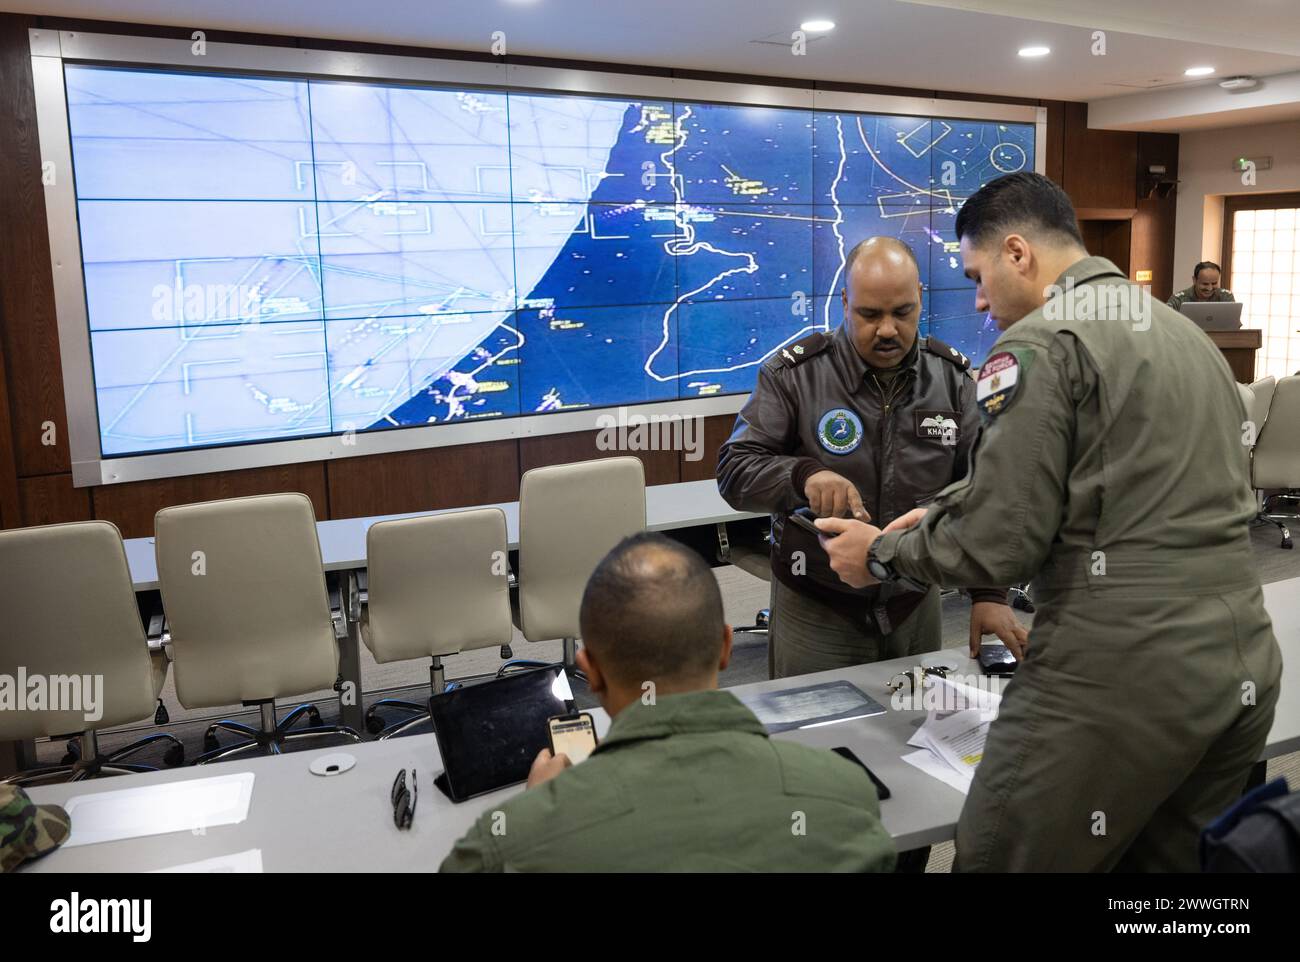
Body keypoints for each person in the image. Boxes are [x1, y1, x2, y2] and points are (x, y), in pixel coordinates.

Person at [815, 171, 1282, 872]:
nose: (979, 300)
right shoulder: (1183, 334)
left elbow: (999, 543)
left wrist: (882, 553)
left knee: (1000, 855)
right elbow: (1111, 483)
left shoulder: (1040, 344)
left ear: (1017, 253)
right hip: (1240, 657)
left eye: (978, 276)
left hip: (1118, 673)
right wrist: (946, 509)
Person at [439, 532, 897, 872]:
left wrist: (541, 812)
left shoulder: (507, 844)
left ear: (590, 671)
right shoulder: (847, 797)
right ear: (726, 647)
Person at [716, 236, 1025, 679]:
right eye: (870, 314)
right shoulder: (794, 376)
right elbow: (735, 471)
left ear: (920, 299)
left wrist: (988, 594)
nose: (887, 330)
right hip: (818, 604)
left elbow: (983, 489)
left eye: (902, 312)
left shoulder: (952, 380)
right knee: (814, 724)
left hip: (915, 601)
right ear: (845, 303)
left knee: (915, 717)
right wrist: (802, 476)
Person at [1167, 261, 1234, 310]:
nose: (1210, 288)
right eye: (1205, 284)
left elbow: (1234, 322)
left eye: (1214, 283)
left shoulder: (1226, 297)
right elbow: (1165, 321)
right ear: (1194, 280)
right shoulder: (1178, 300)